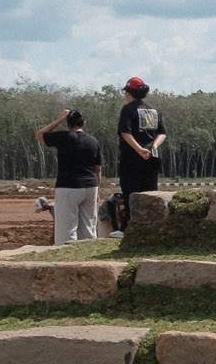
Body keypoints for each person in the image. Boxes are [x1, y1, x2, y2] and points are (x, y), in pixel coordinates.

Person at [37, 108, 102, 245]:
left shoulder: (64, 136)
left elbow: (40, 135)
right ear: (83, 123)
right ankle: (88, 258)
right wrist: (98, 190)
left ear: (68, 124)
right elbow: (98, 168)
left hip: (68, 186)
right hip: (91, 186)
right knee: (89, 228)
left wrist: (59, 119)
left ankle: (65, 259)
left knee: (66, 230)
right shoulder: (93, 141)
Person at [114, 77, 166, 234]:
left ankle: (128, 227)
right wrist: (154, 146)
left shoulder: (128, 109)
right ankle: (151, 226)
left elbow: (125, 132)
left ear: (129, 93)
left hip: (133, 158)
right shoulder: (153, 110)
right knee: (150, 191)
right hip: (152, 156)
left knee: (131, 192)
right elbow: (162, 133)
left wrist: (139, 150)